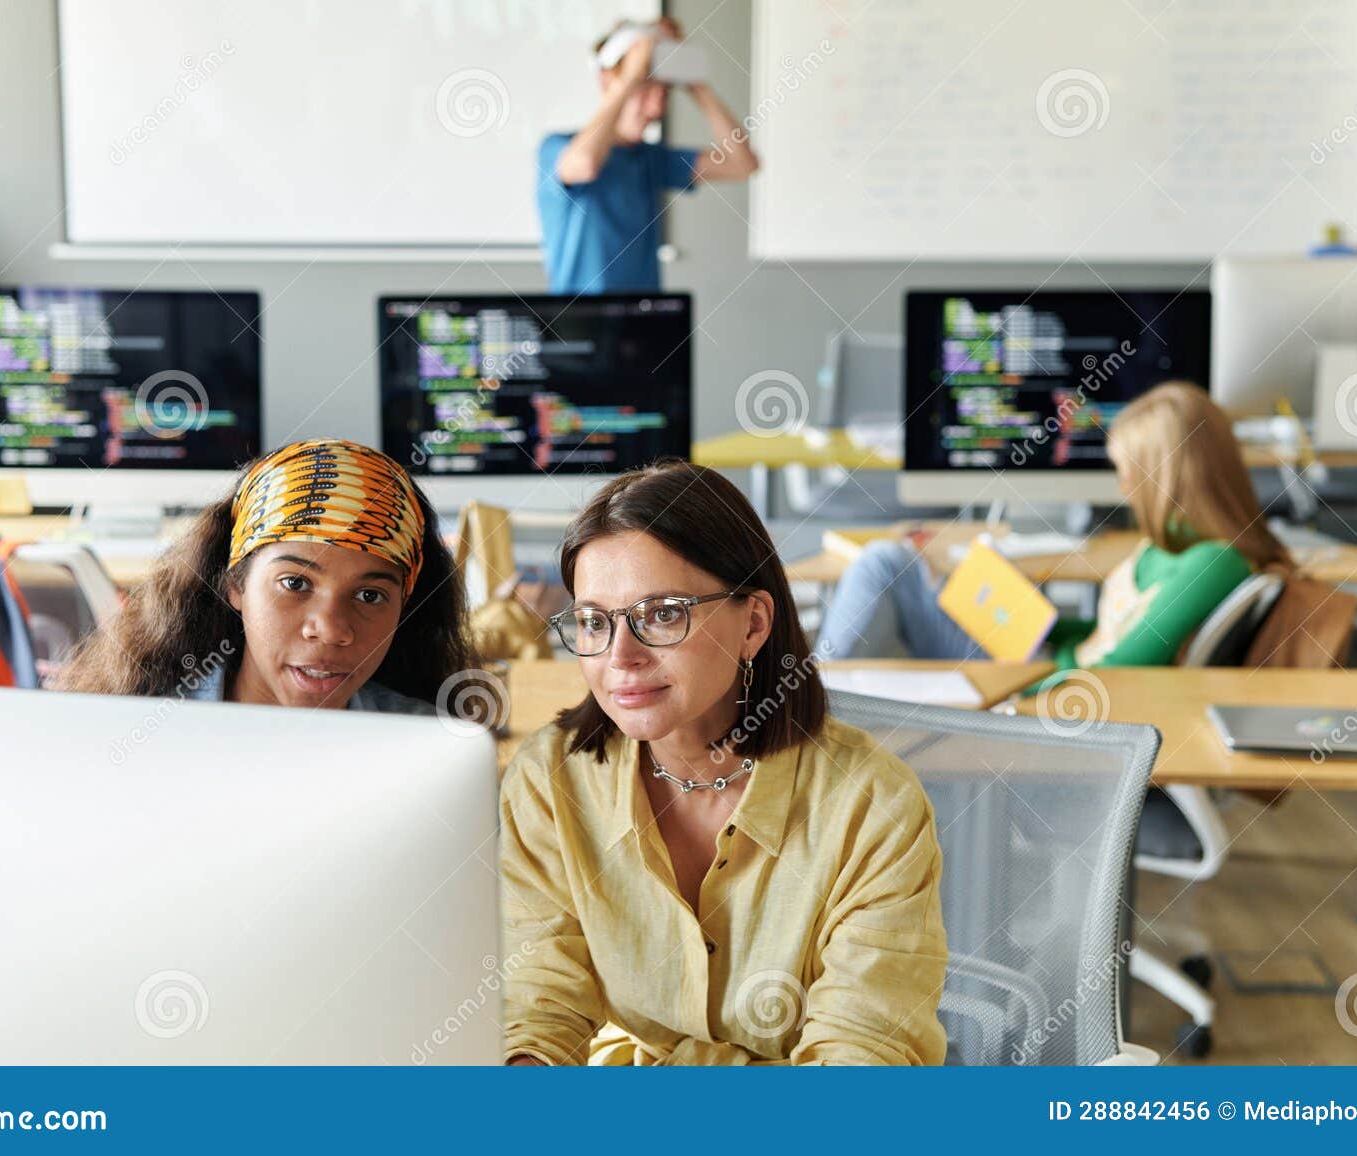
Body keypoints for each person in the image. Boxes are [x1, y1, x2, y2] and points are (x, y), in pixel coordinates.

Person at [499, 460, 947, 1066]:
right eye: (593, 621)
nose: (620, 657)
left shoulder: (871, 807)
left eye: (661, 614)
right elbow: (539, 1008)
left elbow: (860, 1059)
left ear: (754, 623)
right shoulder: (549, 781)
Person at [818, 382, 1290, 669]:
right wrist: (1042, 626)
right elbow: (1115, 633)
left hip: (1043, 683)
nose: (1123, 487)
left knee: (885, 564)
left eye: (1128, 471)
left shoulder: (1212, 563)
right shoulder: (1181, 547)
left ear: (1165, 478)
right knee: (906, 565)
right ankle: (807, 703)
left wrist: (1026, 689)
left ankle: (797, 716)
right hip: (1042, 656)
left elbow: (1122, 667)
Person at [55, 438, 475, 714]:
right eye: (294, 583)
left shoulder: (428, 741)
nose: (330, 630)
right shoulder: (136, 728)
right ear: (236, 584)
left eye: (369, 596)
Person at [537, 16, 759, 295]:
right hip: (579, 324)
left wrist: (695, 83)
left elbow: (742, 164)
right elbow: (585, 165)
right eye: (645, 88)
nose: (656, 108)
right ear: (607, 81)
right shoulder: (557, 148)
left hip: (644, 322)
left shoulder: (651, 159)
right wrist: (630, 77)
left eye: (665, 92)